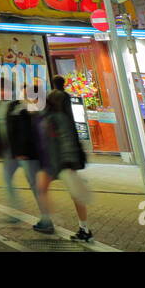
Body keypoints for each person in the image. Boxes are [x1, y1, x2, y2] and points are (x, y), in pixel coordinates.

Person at [36, 81, 93, 240]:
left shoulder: (56, 118)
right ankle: (82, 228)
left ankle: (56, 221)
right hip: (56, 163)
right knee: (68, 193)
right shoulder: (55, 116)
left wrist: (67, 163)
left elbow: (64, 142)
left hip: (59, 163)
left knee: (71, 194)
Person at [0, 94, 43, 219]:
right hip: (9, 153)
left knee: (34, 184)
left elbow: (24, 130)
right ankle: (14, 212)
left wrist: (22, 150)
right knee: (7, 181)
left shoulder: (18, 106)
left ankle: (46, 218)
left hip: (23, 153)